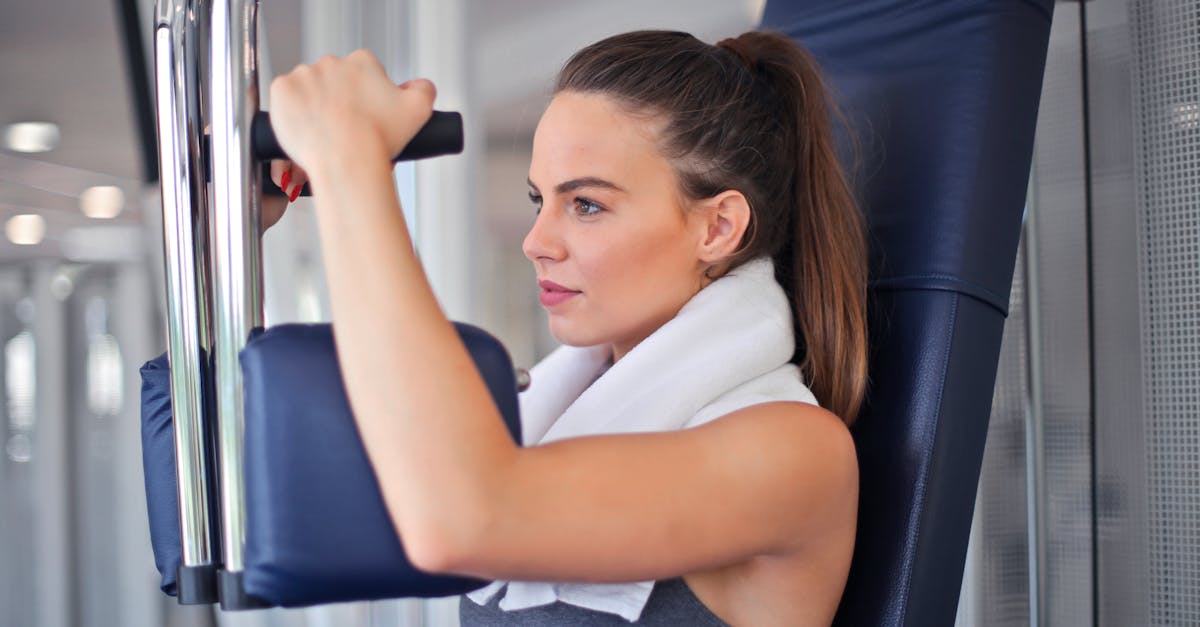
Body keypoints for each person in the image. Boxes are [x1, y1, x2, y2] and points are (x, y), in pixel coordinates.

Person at [264, 29, 867, 626]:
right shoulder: (552, 419)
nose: (535, 242)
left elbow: (463, 519)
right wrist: (243, 226)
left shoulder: (796, 452)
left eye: (586, 205)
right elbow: (359, 490)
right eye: (539, 200)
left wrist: (352, 165)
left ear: (717, 229)